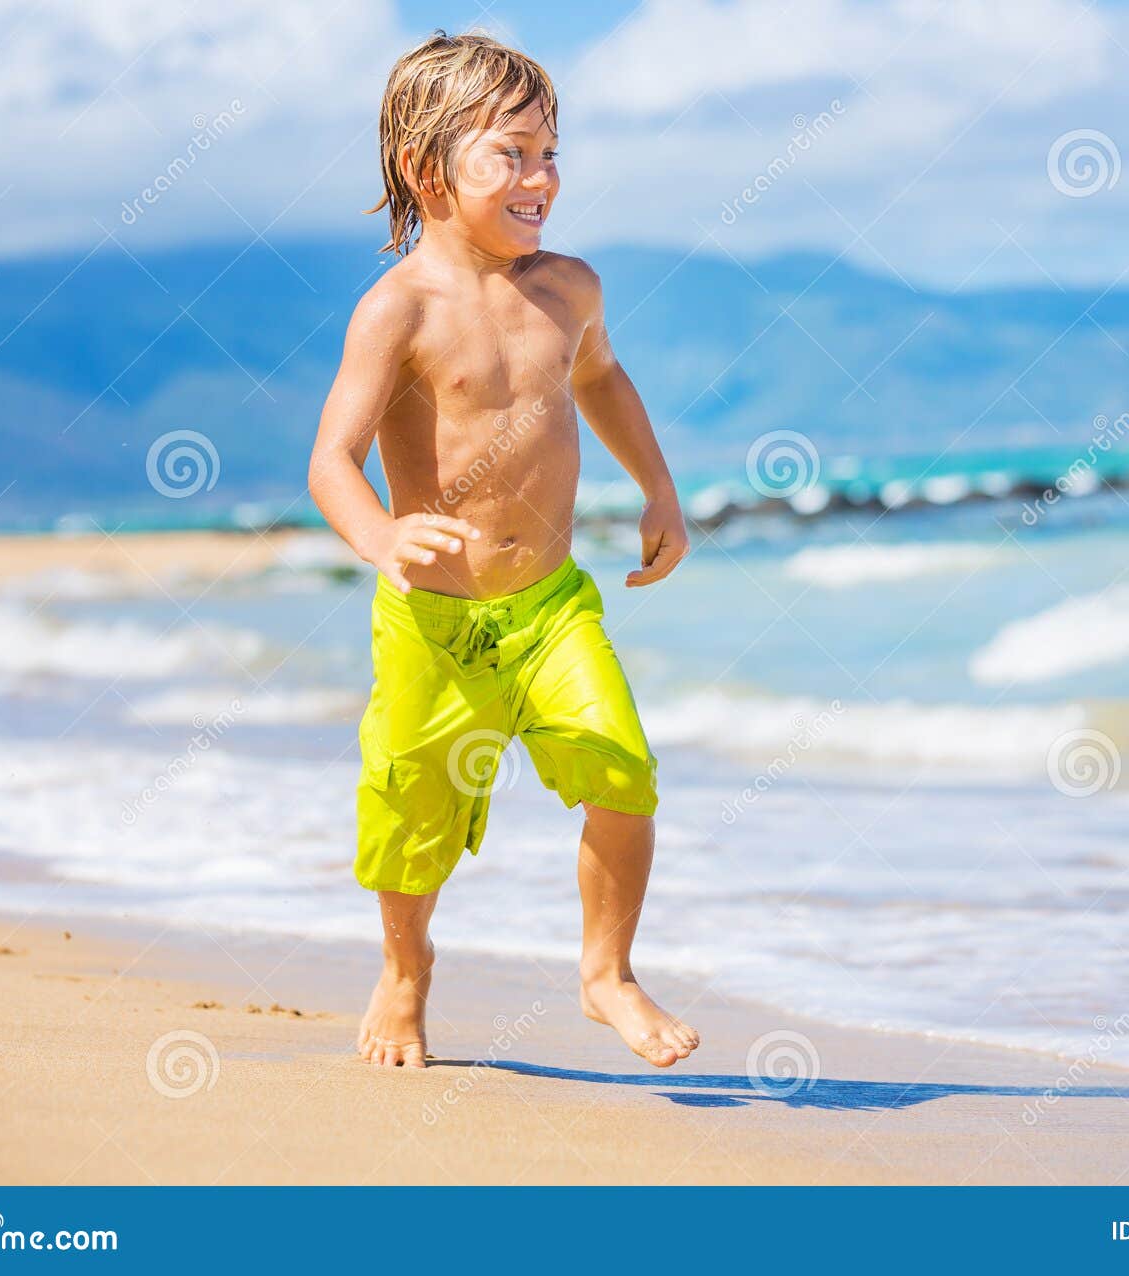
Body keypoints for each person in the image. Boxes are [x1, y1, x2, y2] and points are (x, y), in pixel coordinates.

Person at [308, 31, 699, 1070]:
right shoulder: (398, 311)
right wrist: (381, 532)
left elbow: (600, 379)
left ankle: (605, 970)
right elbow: (332, 462)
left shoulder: (568, 288)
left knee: (622, 767)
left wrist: (656, 486)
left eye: (551, 152)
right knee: (409, 819)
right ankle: (404, 970)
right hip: (435, 626)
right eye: (513, 153)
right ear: (426, 170)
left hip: (548, 607)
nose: (543, 178)